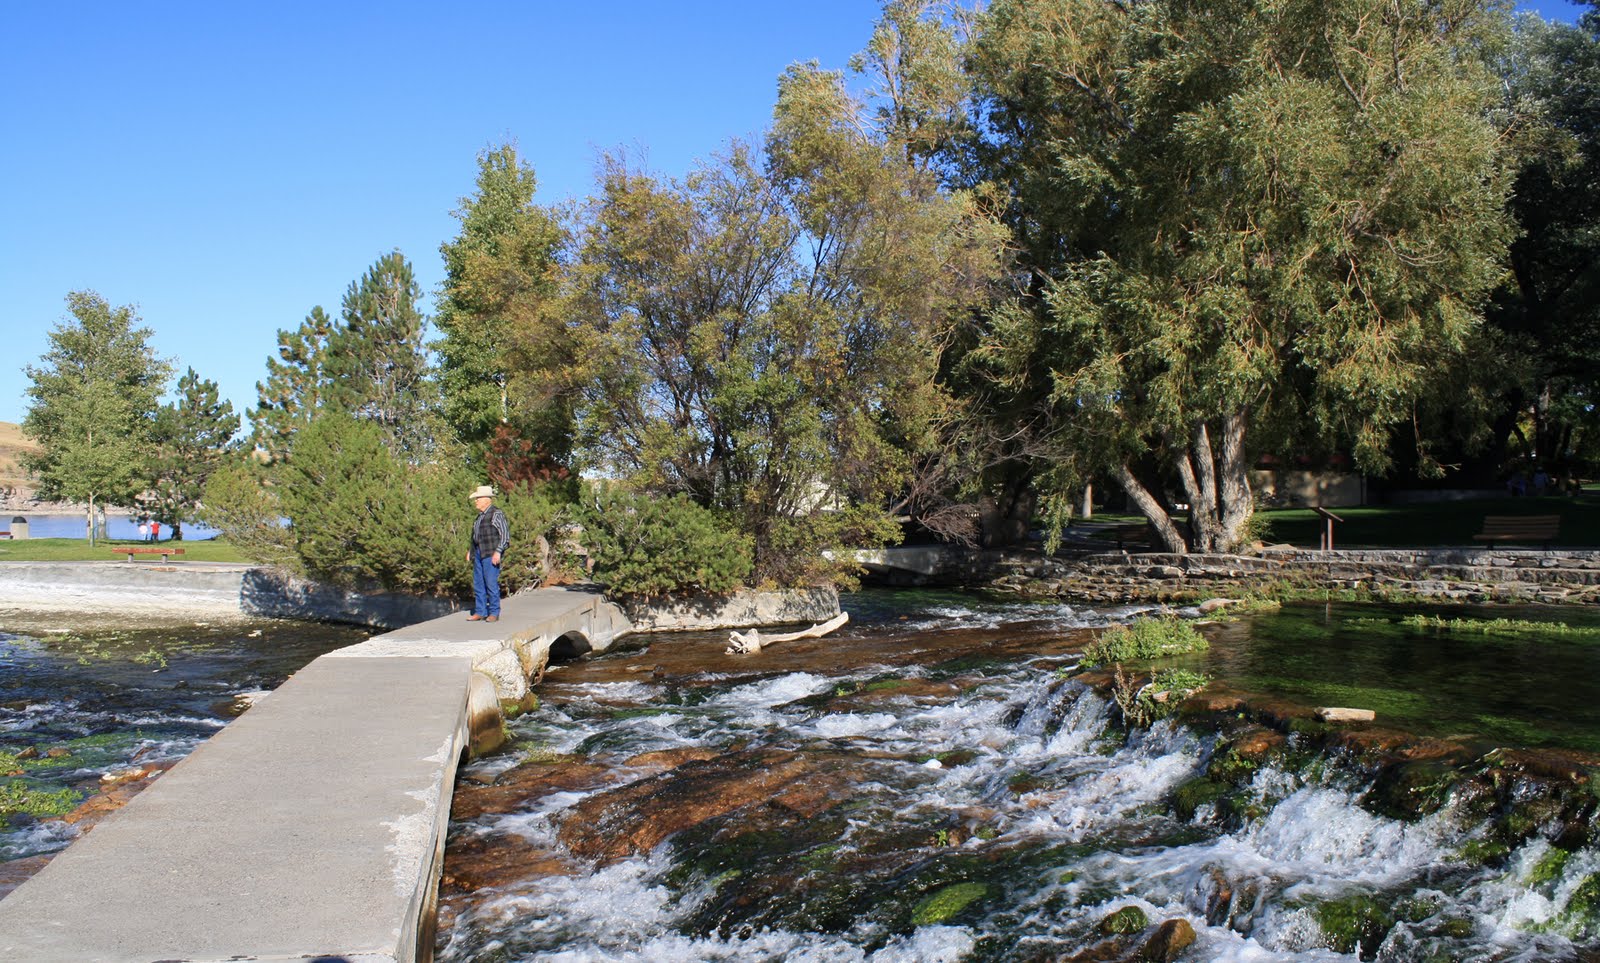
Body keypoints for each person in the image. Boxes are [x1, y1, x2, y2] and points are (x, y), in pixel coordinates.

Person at [466, 484, 509, 623]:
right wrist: (470, 550)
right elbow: (475, 536)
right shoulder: (479, 517)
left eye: (478, 498)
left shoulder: (496, 514)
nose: (476, 501)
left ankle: (494, 613)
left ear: (486, 499)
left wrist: (498, 552)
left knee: (491, 583)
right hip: (478, 553)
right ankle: (480, 612)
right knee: (478, 583)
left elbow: (504, 535)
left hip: (491, 553)